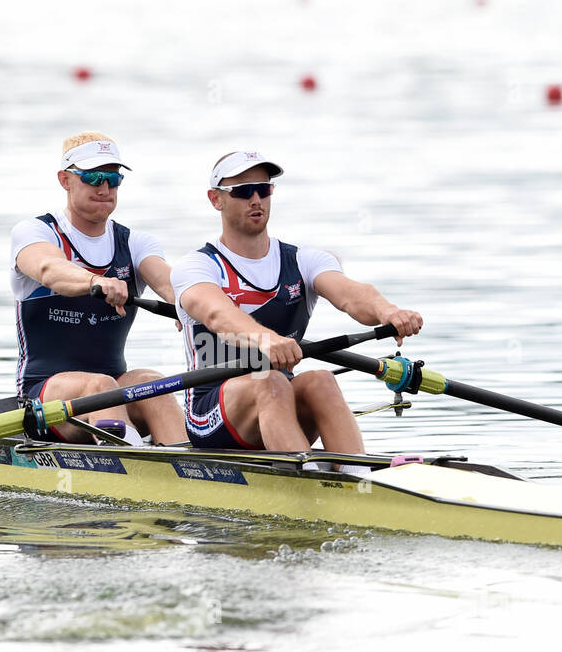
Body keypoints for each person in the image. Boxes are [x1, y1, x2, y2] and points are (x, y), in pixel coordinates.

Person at [170, 150, 423, 462]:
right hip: (210, 414)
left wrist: (388, 311)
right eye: (242, 191)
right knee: (271, 380)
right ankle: (310, 485)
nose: (256, 200)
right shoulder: (197, 267)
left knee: (320, 380)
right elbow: (216, 314)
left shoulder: (304, 260)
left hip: (280, 401)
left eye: (263, 189)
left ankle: (358, 479)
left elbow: (351, 294)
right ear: (216, 199)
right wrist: (265, 339)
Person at [8, 132, 185, 445]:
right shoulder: (36, 232)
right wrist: (95, 282)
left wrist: (193, 306)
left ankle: (193, 469)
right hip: (44, 398)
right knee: (100, 386)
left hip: (114, 387)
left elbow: (172, 285)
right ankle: (126, 464)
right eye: (93, 177)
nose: (105, 188)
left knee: (155, 384)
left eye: (113, 179)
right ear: (65, 179)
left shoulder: (135, 243)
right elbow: (50, 270)